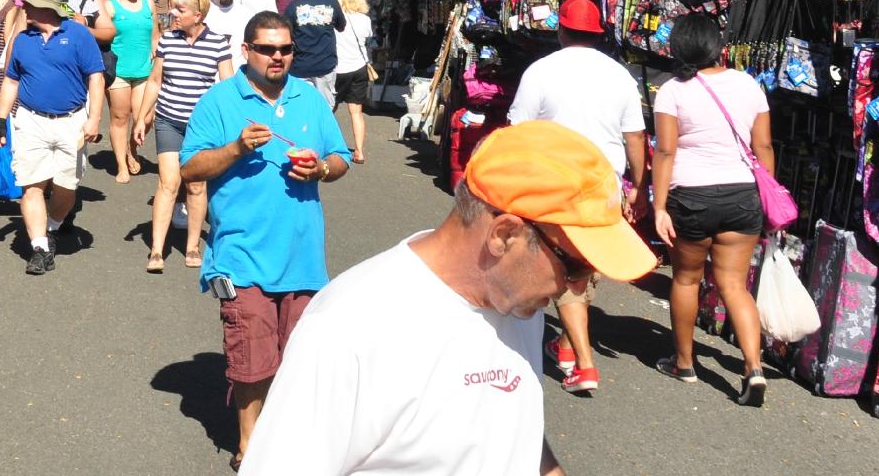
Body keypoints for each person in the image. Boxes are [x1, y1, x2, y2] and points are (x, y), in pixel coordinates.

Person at [239, 121, 656, 475]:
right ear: (504, 235)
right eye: (575, 267)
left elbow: (509, 429)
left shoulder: (515, 302)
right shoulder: (349, 328)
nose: (576, 288)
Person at [181, 11, 350, 469]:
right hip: (241, 255)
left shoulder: (308, 98)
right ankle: (250, 447)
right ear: (246, 51)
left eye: (286, 49)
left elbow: (340, 157)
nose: (278, 57)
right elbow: (190, 168)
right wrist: (236, 148)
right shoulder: (220, 100)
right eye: (268, 49)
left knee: (296, 360)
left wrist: (321, 168)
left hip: (303, 258)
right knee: (252, 358)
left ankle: (284, 436)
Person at [506, 0, 648, 397]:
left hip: (555, 183)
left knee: (565, 271)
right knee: (582, 267)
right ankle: (566, 347)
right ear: (598, 34)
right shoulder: (620, 76)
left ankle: (584, 364)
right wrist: (638, 187)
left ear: (561, 30)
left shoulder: (541, 71)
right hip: (603, 185)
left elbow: (518, 131)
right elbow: (635, 137)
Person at [651, 12, 774, 404]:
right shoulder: (748, 84)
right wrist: (766, 197)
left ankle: (684, 363)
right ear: (718, 46)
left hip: (691, 196)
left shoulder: (672, 90)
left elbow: (665, 151)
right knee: (735, 285)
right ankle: (753, 368)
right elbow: (763, 146)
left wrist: (659, 206)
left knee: (687, 279)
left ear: (679, 48)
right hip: (742, 195)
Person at [0, 0, 106, 276]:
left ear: (45, 7)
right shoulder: (23, 40)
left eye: (29, 4)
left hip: (71, 121)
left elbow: (96, 78)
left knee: (67, 186)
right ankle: (40, 247)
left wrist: (94, 118)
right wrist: (1, 122)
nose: (24, 8)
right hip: (31, 120)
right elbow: (11, 81)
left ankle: (53, 226)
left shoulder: (78, 35)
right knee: (31, 185)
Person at [134, 0, 233, 272]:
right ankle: (156, 250)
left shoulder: (218, 44)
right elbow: (155, 81)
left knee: (196, 185)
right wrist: (142, 118)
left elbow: (227, 87)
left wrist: (229, 125)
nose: (174, 14)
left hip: (201, 127)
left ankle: (192, 246)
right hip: (168, 120)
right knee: (168, 183)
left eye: (180, 9)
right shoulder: (168, 40)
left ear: (198, 15)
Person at [94, 0, 156, 183]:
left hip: (144, 69)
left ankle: (132, 146)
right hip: (119, 70)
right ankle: (121, 165)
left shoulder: (148, 3)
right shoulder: (110, 6)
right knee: (120, 117)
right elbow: (103, 35)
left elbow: (155, 34)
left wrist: (156, 49)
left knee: (145, 118)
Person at [283, 0, 346, 108]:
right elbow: (341, 26)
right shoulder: (332, 2)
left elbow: (284, 31)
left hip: (300, 65)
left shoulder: (294, 5)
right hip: (325, 65)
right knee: (325, 107)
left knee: (300, 106)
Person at [332, 0, 375, 165]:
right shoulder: (365, 20)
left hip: (338, 68)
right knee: (356, 111)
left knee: (329, 109)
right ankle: (359, 151)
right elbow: (368, 38)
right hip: (359, 67)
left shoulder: (335, 19)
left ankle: (327, 144)